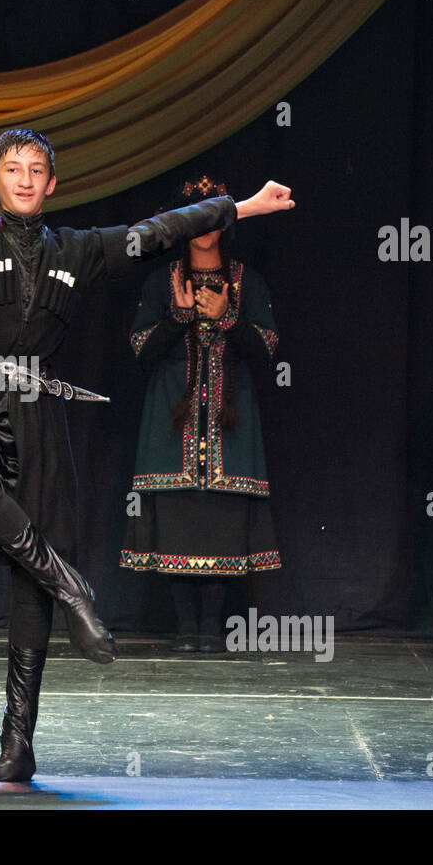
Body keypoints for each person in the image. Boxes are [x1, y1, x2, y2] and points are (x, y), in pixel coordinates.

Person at [0, 4, 294, 780]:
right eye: (11, 168)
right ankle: (66, 577)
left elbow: (159, 231)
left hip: (39, 415)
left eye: (37, 171)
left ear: (51, 184)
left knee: (21, 589)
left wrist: (239, 208)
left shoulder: (79, 251)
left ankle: (18, 740)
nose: (24, 179)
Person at [120, 175, 281, 652]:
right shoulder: (159, 281)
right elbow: (140, 350)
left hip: (230, 423)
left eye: (214, 213)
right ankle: (185, 629)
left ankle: (211, 627)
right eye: (196, 213)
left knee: (219, 520)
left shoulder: (248, 281)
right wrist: (179, 317)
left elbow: (268, 348)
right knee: (178, 517)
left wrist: (228, 316)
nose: (206, 225)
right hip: (173, 423)